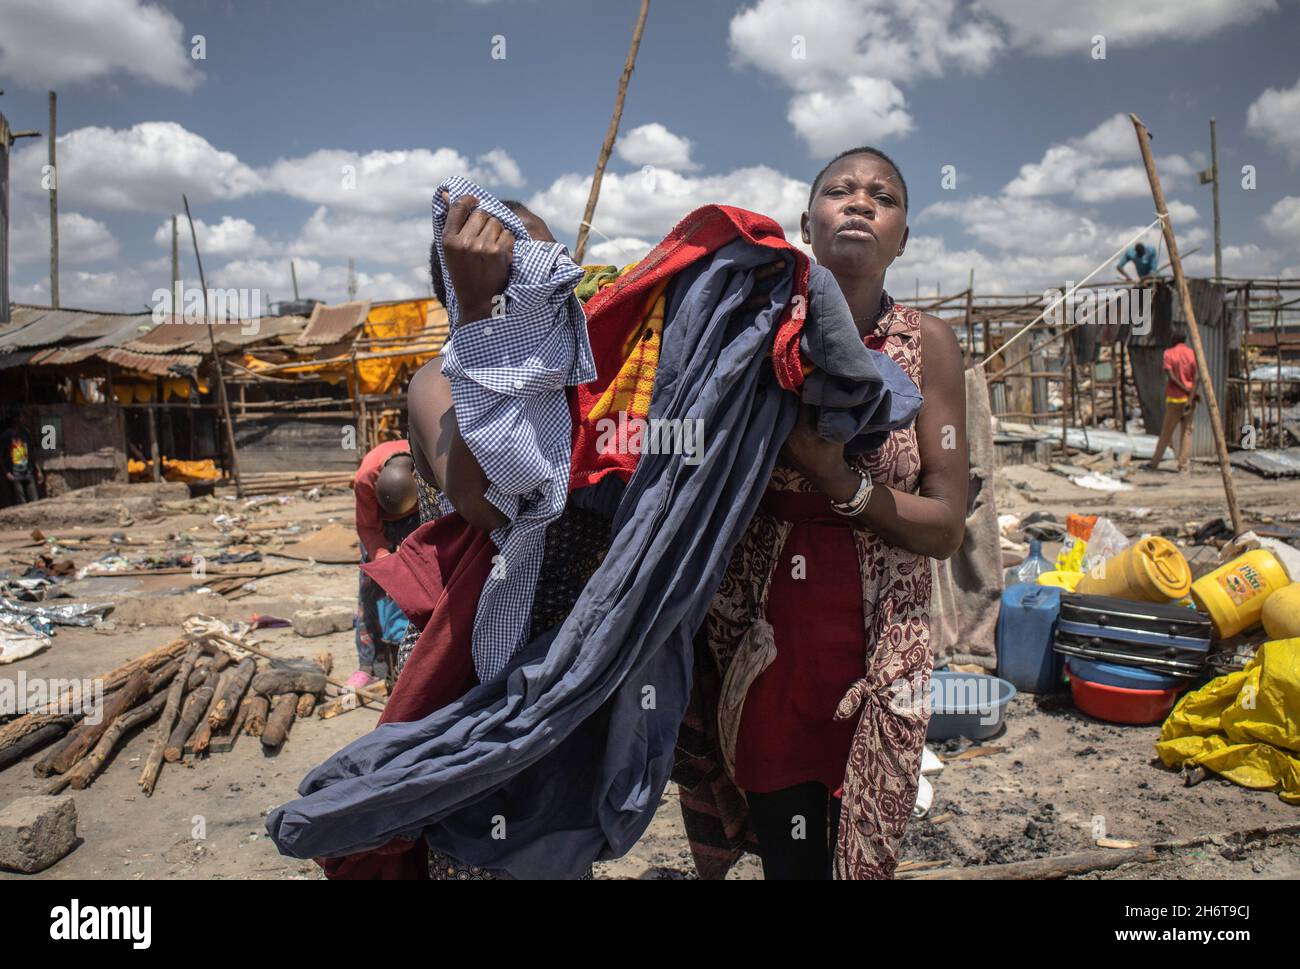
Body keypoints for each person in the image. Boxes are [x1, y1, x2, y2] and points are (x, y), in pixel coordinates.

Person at [681, 146, 969, 880]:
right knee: (793, 856)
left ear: (903, 236)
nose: (860, 202)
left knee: (866, 849)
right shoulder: (751, 335)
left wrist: (842, 481)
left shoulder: (928, 345)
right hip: (768, 645)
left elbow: (945, 525)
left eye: (884, 195)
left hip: (883, 649)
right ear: (807, 226)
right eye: (839, 191)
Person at [348, 439, 420, 689]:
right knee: (371, 590)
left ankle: (414, 658)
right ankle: (368, 665)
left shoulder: (427, 462)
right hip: (380, 526)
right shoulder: (365, 479)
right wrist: (384, 561)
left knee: (419, 587)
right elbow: (367, 527)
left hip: (419, 517)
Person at [1145, 332, 1197, 473]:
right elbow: (1196, 378)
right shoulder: (1192, 354)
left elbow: (1172, 378)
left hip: (1175, 399)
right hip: (1189, 401)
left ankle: (1154, 463)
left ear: (1174, 339)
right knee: (1186, 432)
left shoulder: (1169, 353)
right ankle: (1183, 465)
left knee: (1166, 432)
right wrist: (1191, 395)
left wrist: (1185, 391)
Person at [1, 413, 41, 505]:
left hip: (28, 471)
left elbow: (31, 453)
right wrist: (6, 473)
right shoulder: (6, 436)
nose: (24, 420)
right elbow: (1, 457)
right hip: (14, 473)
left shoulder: (25, 434)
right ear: (16, 419)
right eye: (22, 418)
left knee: (35, 501)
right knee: (21, 503)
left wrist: (38, 471)